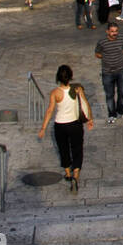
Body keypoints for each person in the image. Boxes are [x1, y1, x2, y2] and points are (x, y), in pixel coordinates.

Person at [37, 64, 93, 192]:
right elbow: (85, 104)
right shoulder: (77, 89)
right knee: (77, 148)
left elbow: (50, 110)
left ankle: (68, 173)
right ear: (71, 76)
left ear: (58, 78)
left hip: (60, 125)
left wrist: (43, 128)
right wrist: (90, 119)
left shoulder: (55, 93)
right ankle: (76, 174)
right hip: (75, 124)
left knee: (63, 149)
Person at [96, 22, 123, 123]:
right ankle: (112, 114)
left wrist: (117, 56)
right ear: (107, 32)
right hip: (107, 73)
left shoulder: (122, 39)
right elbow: (97, 54)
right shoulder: (102, 42)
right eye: (112, 31)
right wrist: (107, 58)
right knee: (109, 95)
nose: (114, 33)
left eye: (116, 31)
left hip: (121, 71)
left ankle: (122, 111)